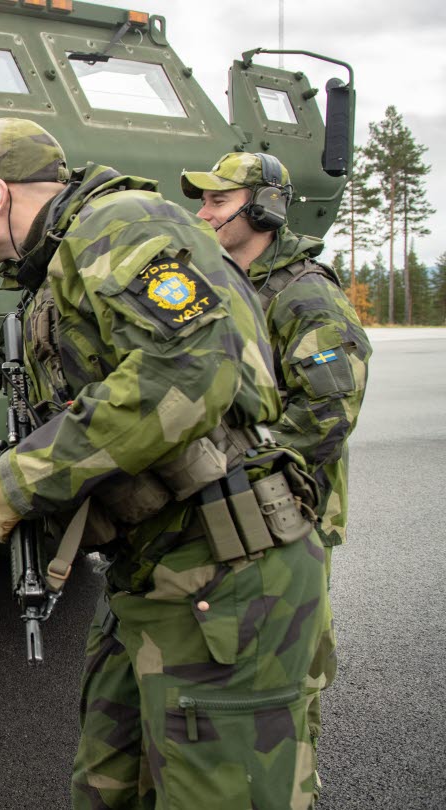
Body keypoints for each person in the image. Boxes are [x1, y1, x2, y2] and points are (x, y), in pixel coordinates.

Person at [0, 120, 331, 809]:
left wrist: (6, 489)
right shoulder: (62, 266)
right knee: (109, 788)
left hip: (221, 578)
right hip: (154, 576)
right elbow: (76, 427)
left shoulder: (114, 224)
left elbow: (190, 370)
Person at [183, 151, 372, 755]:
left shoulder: (304, 294)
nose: (203, 212)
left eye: (218, 201)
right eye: (204, 200)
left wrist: (246, 479)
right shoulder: (222, 283)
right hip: (235, 513)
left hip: (290, 510)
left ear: (263, 209)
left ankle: (296, 776)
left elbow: (328, 411)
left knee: (293, 665)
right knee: (237, 660)